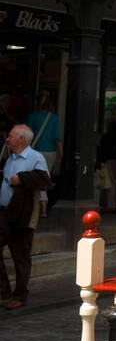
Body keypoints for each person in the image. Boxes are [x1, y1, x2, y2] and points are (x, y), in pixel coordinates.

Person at [0, 124, 51, 309]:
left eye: (11, 136)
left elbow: (44, 181)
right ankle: (3, 289)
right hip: (4, 211)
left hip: (23, 214)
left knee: (20, 254)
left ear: (22, 139)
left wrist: (22, 178)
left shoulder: (35, 157)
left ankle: (20, 295)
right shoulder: (9, 158)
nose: (8, 139)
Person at [26, 91, 62, 218]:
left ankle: (39, 207)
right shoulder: (53, 118)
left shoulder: (32, 117)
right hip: (51, 151)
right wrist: (60, 152)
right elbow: (57, 136)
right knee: (46, 177)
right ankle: (44, 208)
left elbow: (28, 136)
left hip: (36, 150)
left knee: (36, 178)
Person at [97, 106, 116, 213]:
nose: (113, 116)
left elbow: (105, 141)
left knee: (113, 182)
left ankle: (113, 204)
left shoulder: (113, 128)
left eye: (115, 114)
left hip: (112, 157)